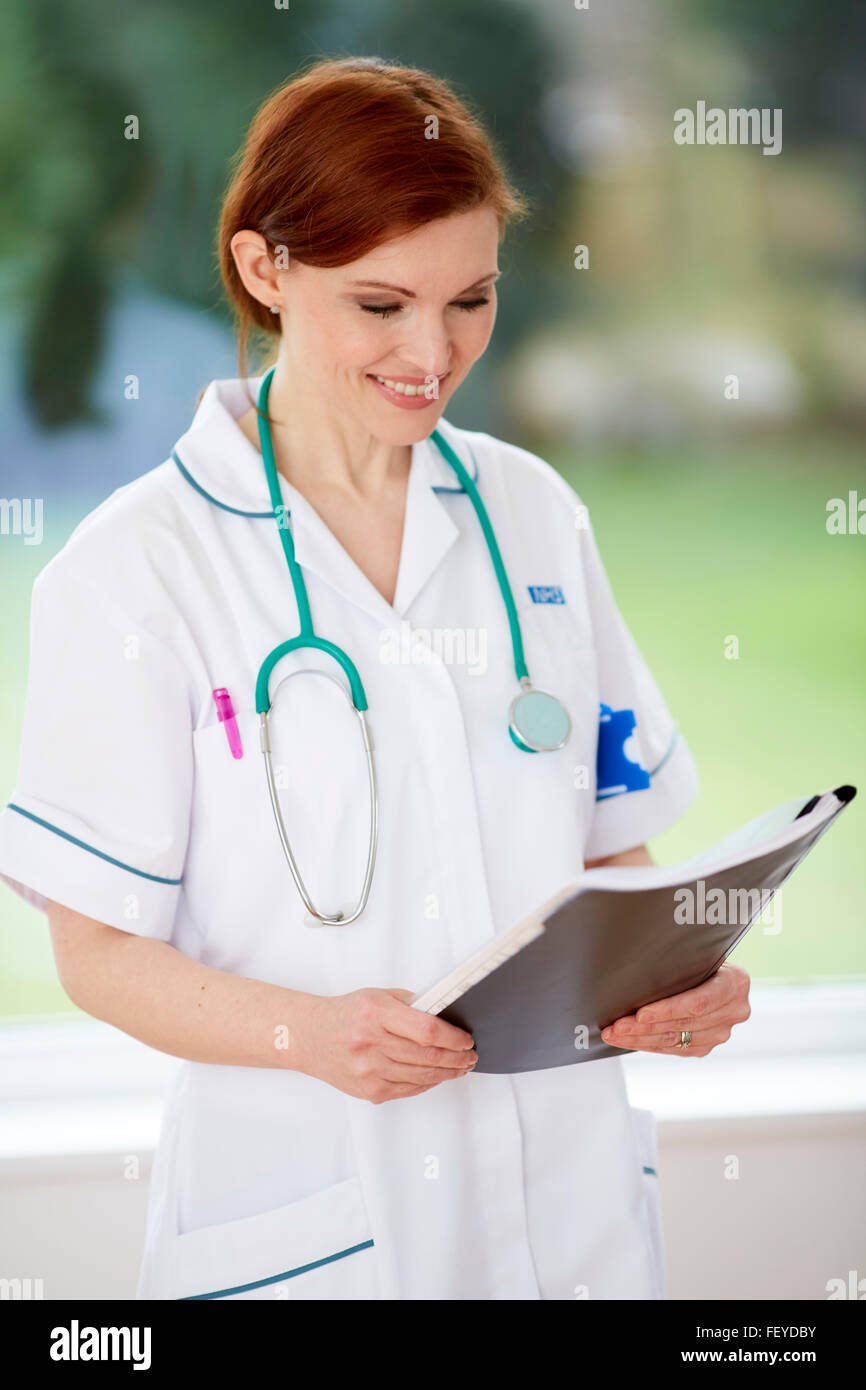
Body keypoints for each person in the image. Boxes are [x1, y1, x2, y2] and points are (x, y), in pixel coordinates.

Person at [0, 56, 751, 1300]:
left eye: (471, 299)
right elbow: (97, 952)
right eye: (381, 303)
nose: (433, 350)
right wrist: (315, 1034)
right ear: (264, 270)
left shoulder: (531, 514)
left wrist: (676, 978)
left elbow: (612, 856)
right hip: (312, 1219)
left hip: (570, 1211)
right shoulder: (136, 569)